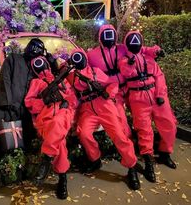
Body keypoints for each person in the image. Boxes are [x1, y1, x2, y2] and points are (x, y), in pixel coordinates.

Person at [0, 38, 57, 205]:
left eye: (40, 48)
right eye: (33, 46)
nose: (36, 49)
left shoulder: (38, 67)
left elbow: (50, 84)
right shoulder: (14, 59)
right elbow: (4, 81)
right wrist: (10, 105)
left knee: (0, 148)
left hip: (18, 114)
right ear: (27, 47)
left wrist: (53, 63)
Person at [67, 49, 141, 191]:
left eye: (80, 57)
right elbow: (63, 73)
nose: (78, 60)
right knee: (83, 133)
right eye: (75, 58)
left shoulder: (95, 72)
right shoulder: (73, 77)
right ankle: (95, 160)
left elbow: (112, 84)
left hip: (105, 105)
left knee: (119, 136)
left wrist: (108, 93)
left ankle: (131, 167)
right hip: (88, 109)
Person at [118, 31, 177, 183]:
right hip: (138, 98)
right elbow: (126, 72)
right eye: (131, 41)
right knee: (144, 130)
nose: (135, 43)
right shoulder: (124, 60)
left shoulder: (149, 57)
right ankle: (148, 161)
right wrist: (131, 62)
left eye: (137, 41)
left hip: (156, 95)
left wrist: (160, 94)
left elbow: (159, 76)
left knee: (169, 125)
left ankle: (165, 153)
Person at [87, 24, 162, 138]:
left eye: (111, 34)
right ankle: (130, 141)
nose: (109, 37)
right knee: (121, 119)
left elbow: (141, 49)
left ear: (115, 36)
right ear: (100, 37)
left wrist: (155, 51)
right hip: (114, 92)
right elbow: (84, 68)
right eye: (105, 35)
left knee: (140, 116)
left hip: (131, 88)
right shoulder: (91, 54)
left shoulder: (123, 48)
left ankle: (143, 139)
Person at [25, 57, 77, 199]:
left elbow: (73, 99)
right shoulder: (35, 83)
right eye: (37, 66)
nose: (41, 67)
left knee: (58, 124)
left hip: (63, 113)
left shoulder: (61, 79)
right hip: (45, 118)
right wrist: (44, 100)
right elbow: (29, 104)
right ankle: (62, 178)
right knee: (58, 140)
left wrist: (65, 102)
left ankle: (47, 159)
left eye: (43, 64)